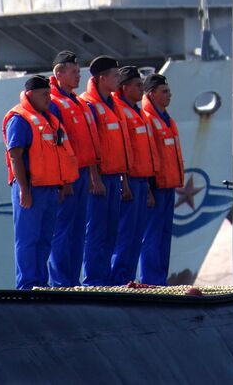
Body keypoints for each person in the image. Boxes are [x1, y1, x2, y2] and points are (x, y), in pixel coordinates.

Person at [2, 75, 71, 290]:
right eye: (44, 95)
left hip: (49, 189)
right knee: (28, 239)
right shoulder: (20, 120)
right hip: (31, 188)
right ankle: (27, 284)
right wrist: (24, 189)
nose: (48, 98)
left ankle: (41, 282)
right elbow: (15, 155)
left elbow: (58, 155)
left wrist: (60, 185)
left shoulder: (49, 119)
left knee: (44, 239)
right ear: (30, 95)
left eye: (49, 94)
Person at [47, 50, 104, 287]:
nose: (77, 76)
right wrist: (64, 180)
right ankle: (60, 281)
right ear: (59, 73)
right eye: (73, 72)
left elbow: (87, 144)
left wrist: (92, 175)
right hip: (67, 176)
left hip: (82, 174)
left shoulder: (78, 102)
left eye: (78, 72)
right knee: (62, 230)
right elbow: (56, 144)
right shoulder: (54, 104)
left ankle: (72, 279)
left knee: (78, 230)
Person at [79, 55, 131, 286]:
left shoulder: (112, 104)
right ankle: (93, 280)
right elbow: (87, 142)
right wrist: (94, 177)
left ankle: (107, 280)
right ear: (102, 79)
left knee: (111, 231)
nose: (119, 79)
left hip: (113, 176)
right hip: (99, 178)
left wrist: (123, 179)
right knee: (96, 232)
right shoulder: (89, 105)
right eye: (115, 75)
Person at [110, 66, 156, 284]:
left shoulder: (137, 112)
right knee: (124, 236)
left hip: (141, 181)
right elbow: (121, 150)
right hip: (127, 181)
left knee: (136, 237)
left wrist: (146, 186)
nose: (141, 89)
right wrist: (124, 181)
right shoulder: (120, 110)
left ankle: (127, 279)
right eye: (138, 85)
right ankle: (118, 280)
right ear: (125, 87)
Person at [140, 74, 185, 285]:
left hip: (168, 185)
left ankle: (160, 279)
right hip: (155, 185)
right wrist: (148, 189)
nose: (170, 95)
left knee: (164, 236)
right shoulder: (147, 119)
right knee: (152, 236)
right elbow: (146, 155)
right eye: (164, 91)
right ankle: (150, 279)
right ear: (152, 94)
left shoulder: (166, 119)